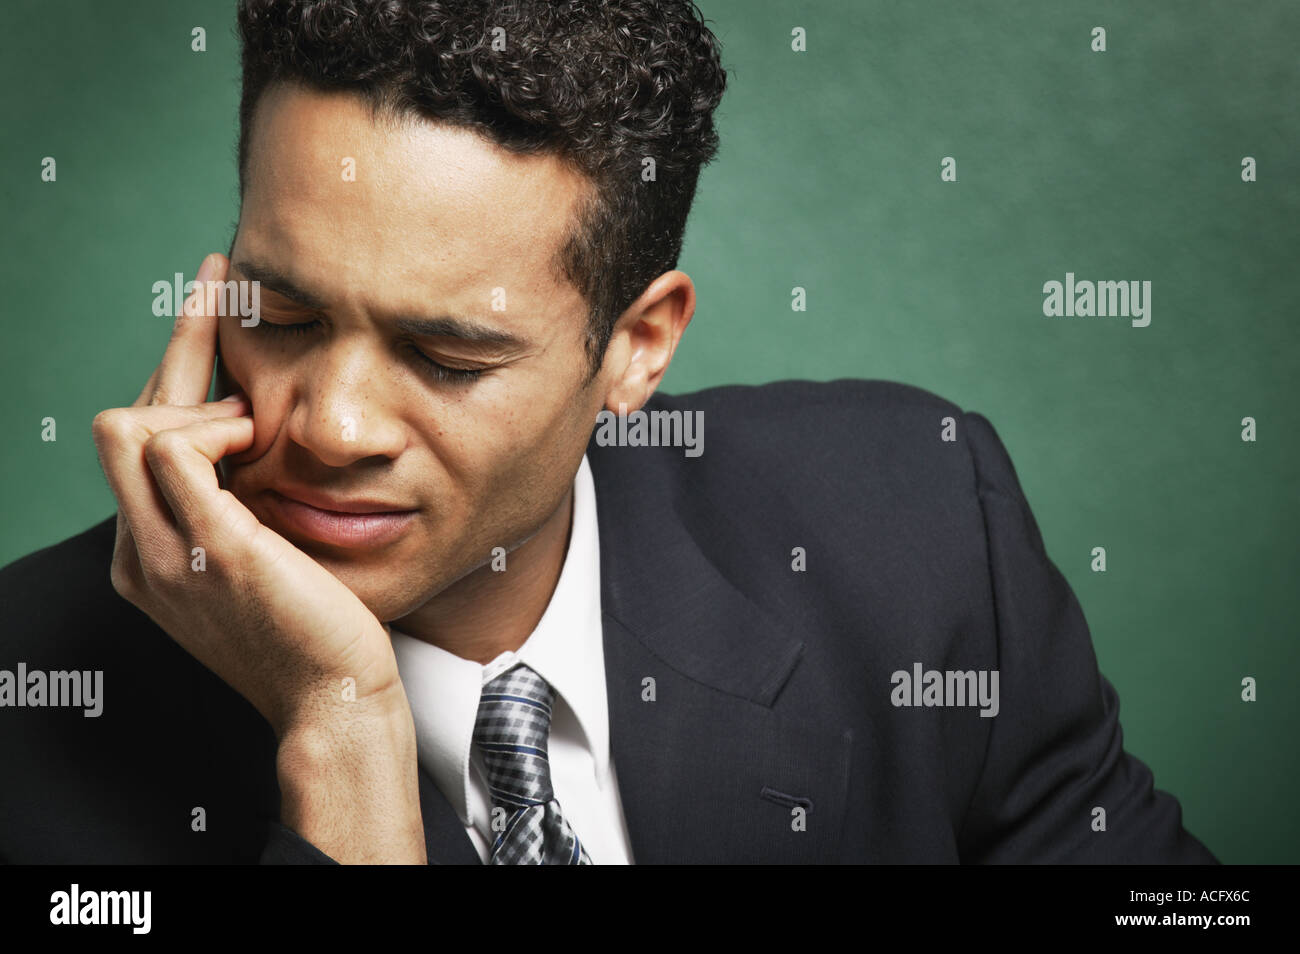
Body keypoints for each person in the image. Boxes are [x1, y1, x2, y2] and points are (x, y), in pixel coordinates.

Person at [0, 0, 1215, 864]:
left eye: (449, 354)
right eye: (279, 311)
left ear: (635, 347)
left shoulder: (919, 527)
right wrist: (341, 733)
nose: (334, 425)